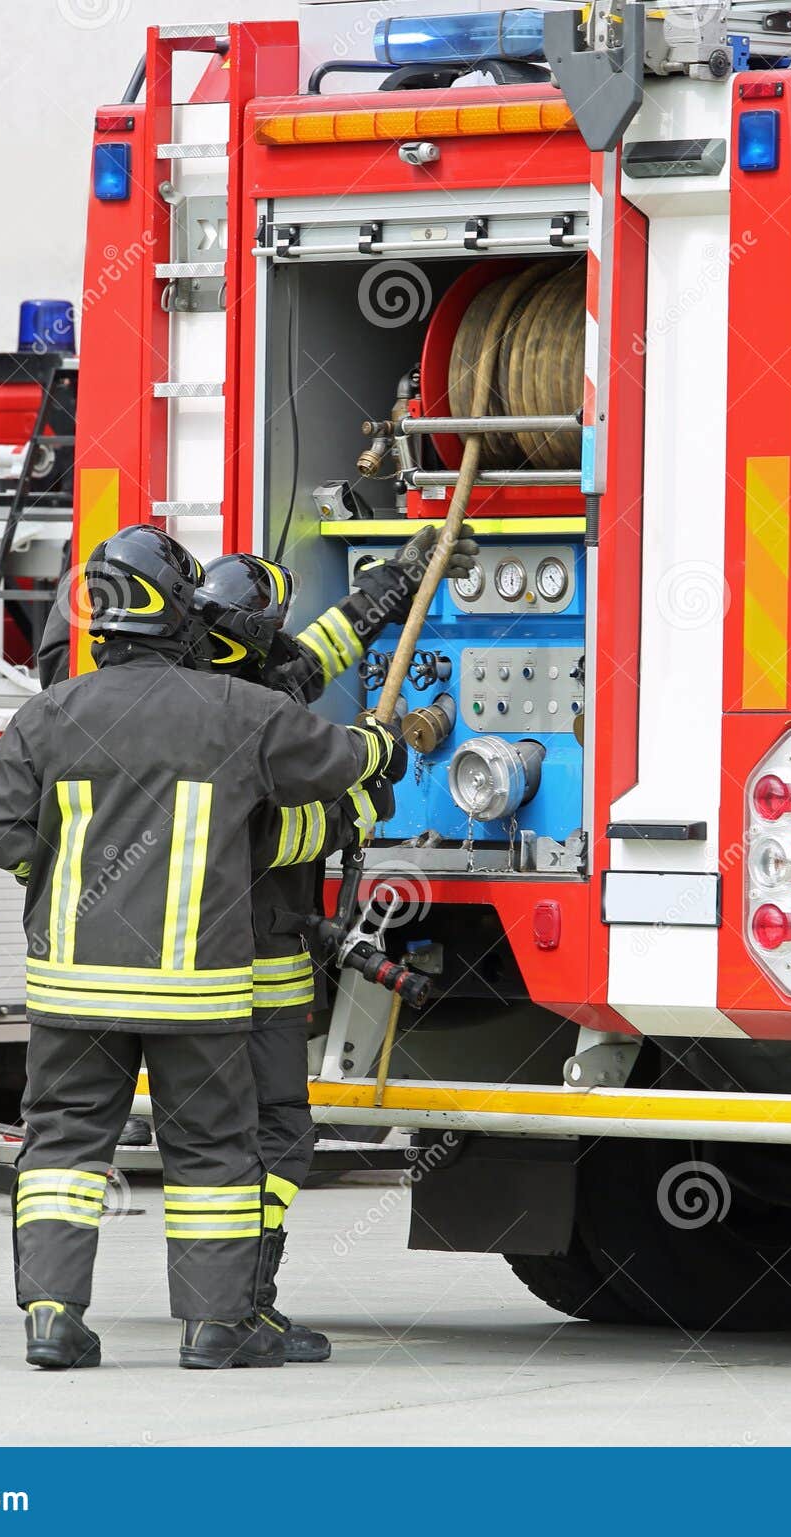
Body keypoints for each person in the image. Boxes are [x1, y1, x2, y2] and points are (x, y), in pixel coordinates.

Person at [0, 525, 405, 1371]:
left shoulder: (49, 713)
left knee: (62, 1145)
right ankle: (214, 1328)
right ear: (179, 612)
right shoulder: (237, 711)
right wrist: (385, 747)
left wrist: (56, 877)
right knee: (211, 1150)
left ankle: (52, 1320)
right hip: (196, 991)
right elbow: (336, 759)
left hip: (71, 986)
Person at [192, 523, 478, 1362]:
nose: (288, 646)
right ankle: (238, 1309)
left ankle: (227, 1309)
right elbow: (257, 840)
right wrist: (357, 803)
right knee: (275, 1134)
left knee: (222, 1140)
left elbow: (326, 643)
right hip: (254, 967)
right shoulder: (248, 714)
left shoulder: (203, 687)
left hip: (190, 972)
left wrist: (402, 578)